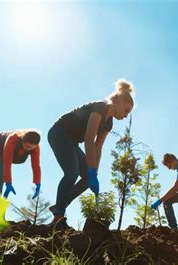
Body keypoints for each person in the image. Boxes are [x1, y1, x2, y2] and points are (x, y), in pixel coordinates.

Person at [48, 79, 134, 229]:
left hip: (72, 141)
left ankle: (58, 207)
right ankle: (58, 217)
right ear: (118, 101)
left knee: (88, 179)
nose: (126, 116)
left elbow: (97, 147)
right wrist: (91, 168)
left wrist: (94, 172)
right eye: (126, 110)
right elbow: (89, 138)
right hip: (59, 132)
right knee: (72, 173)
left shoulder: (109, 123)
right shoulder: (100, 108)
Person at [0, 130, 42, 199]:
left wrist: (38, 183)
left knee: (0, 177)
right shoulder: (12, 139)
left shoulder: (35, 147)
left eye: (31, 148)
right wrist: (8, 183)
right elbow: (7, 163)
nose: (28, 149)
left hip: (12, 156)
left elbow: (36, 166)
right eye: (27, 146)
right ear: (23, 140)